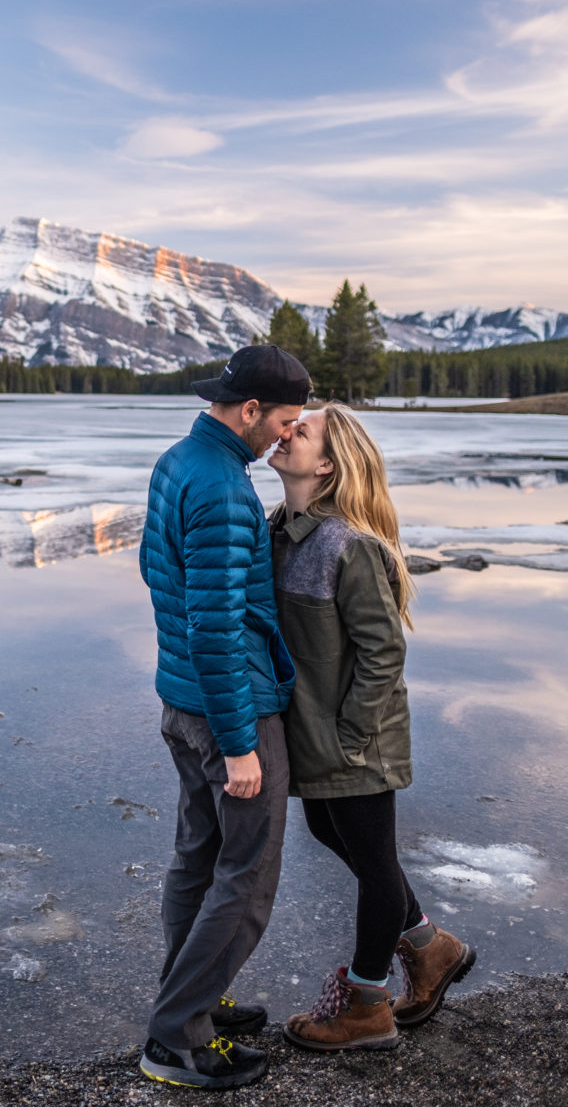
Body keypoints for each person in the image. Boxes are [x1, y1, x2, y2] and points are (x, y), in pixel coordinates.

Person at [267, 401, 475, 1052]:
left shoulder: (347, 545)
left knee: (376, 863)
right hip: (320, 732)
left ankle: (366, 1007)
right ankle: (430, 947)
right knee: (331, 832)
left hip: (355, 736)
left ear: (327, 466)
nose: (285, 432)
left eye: (301, 431)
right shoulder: (281, 528)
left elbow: (383, 653)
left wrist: (350, 738)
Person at [138, 344, 311, 1091]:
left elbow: (158, 574)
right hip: (229, 709)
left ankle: (196, 998)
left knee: (198, 858)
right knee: (247, 875)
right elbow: (215, 627)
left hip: (183, 700)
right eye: (285, 420)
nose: (288, 434)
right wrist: (242, 746)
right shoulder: (224, 492)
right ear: (250, 411)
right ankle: (177, 1038)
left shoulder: (179, 461)